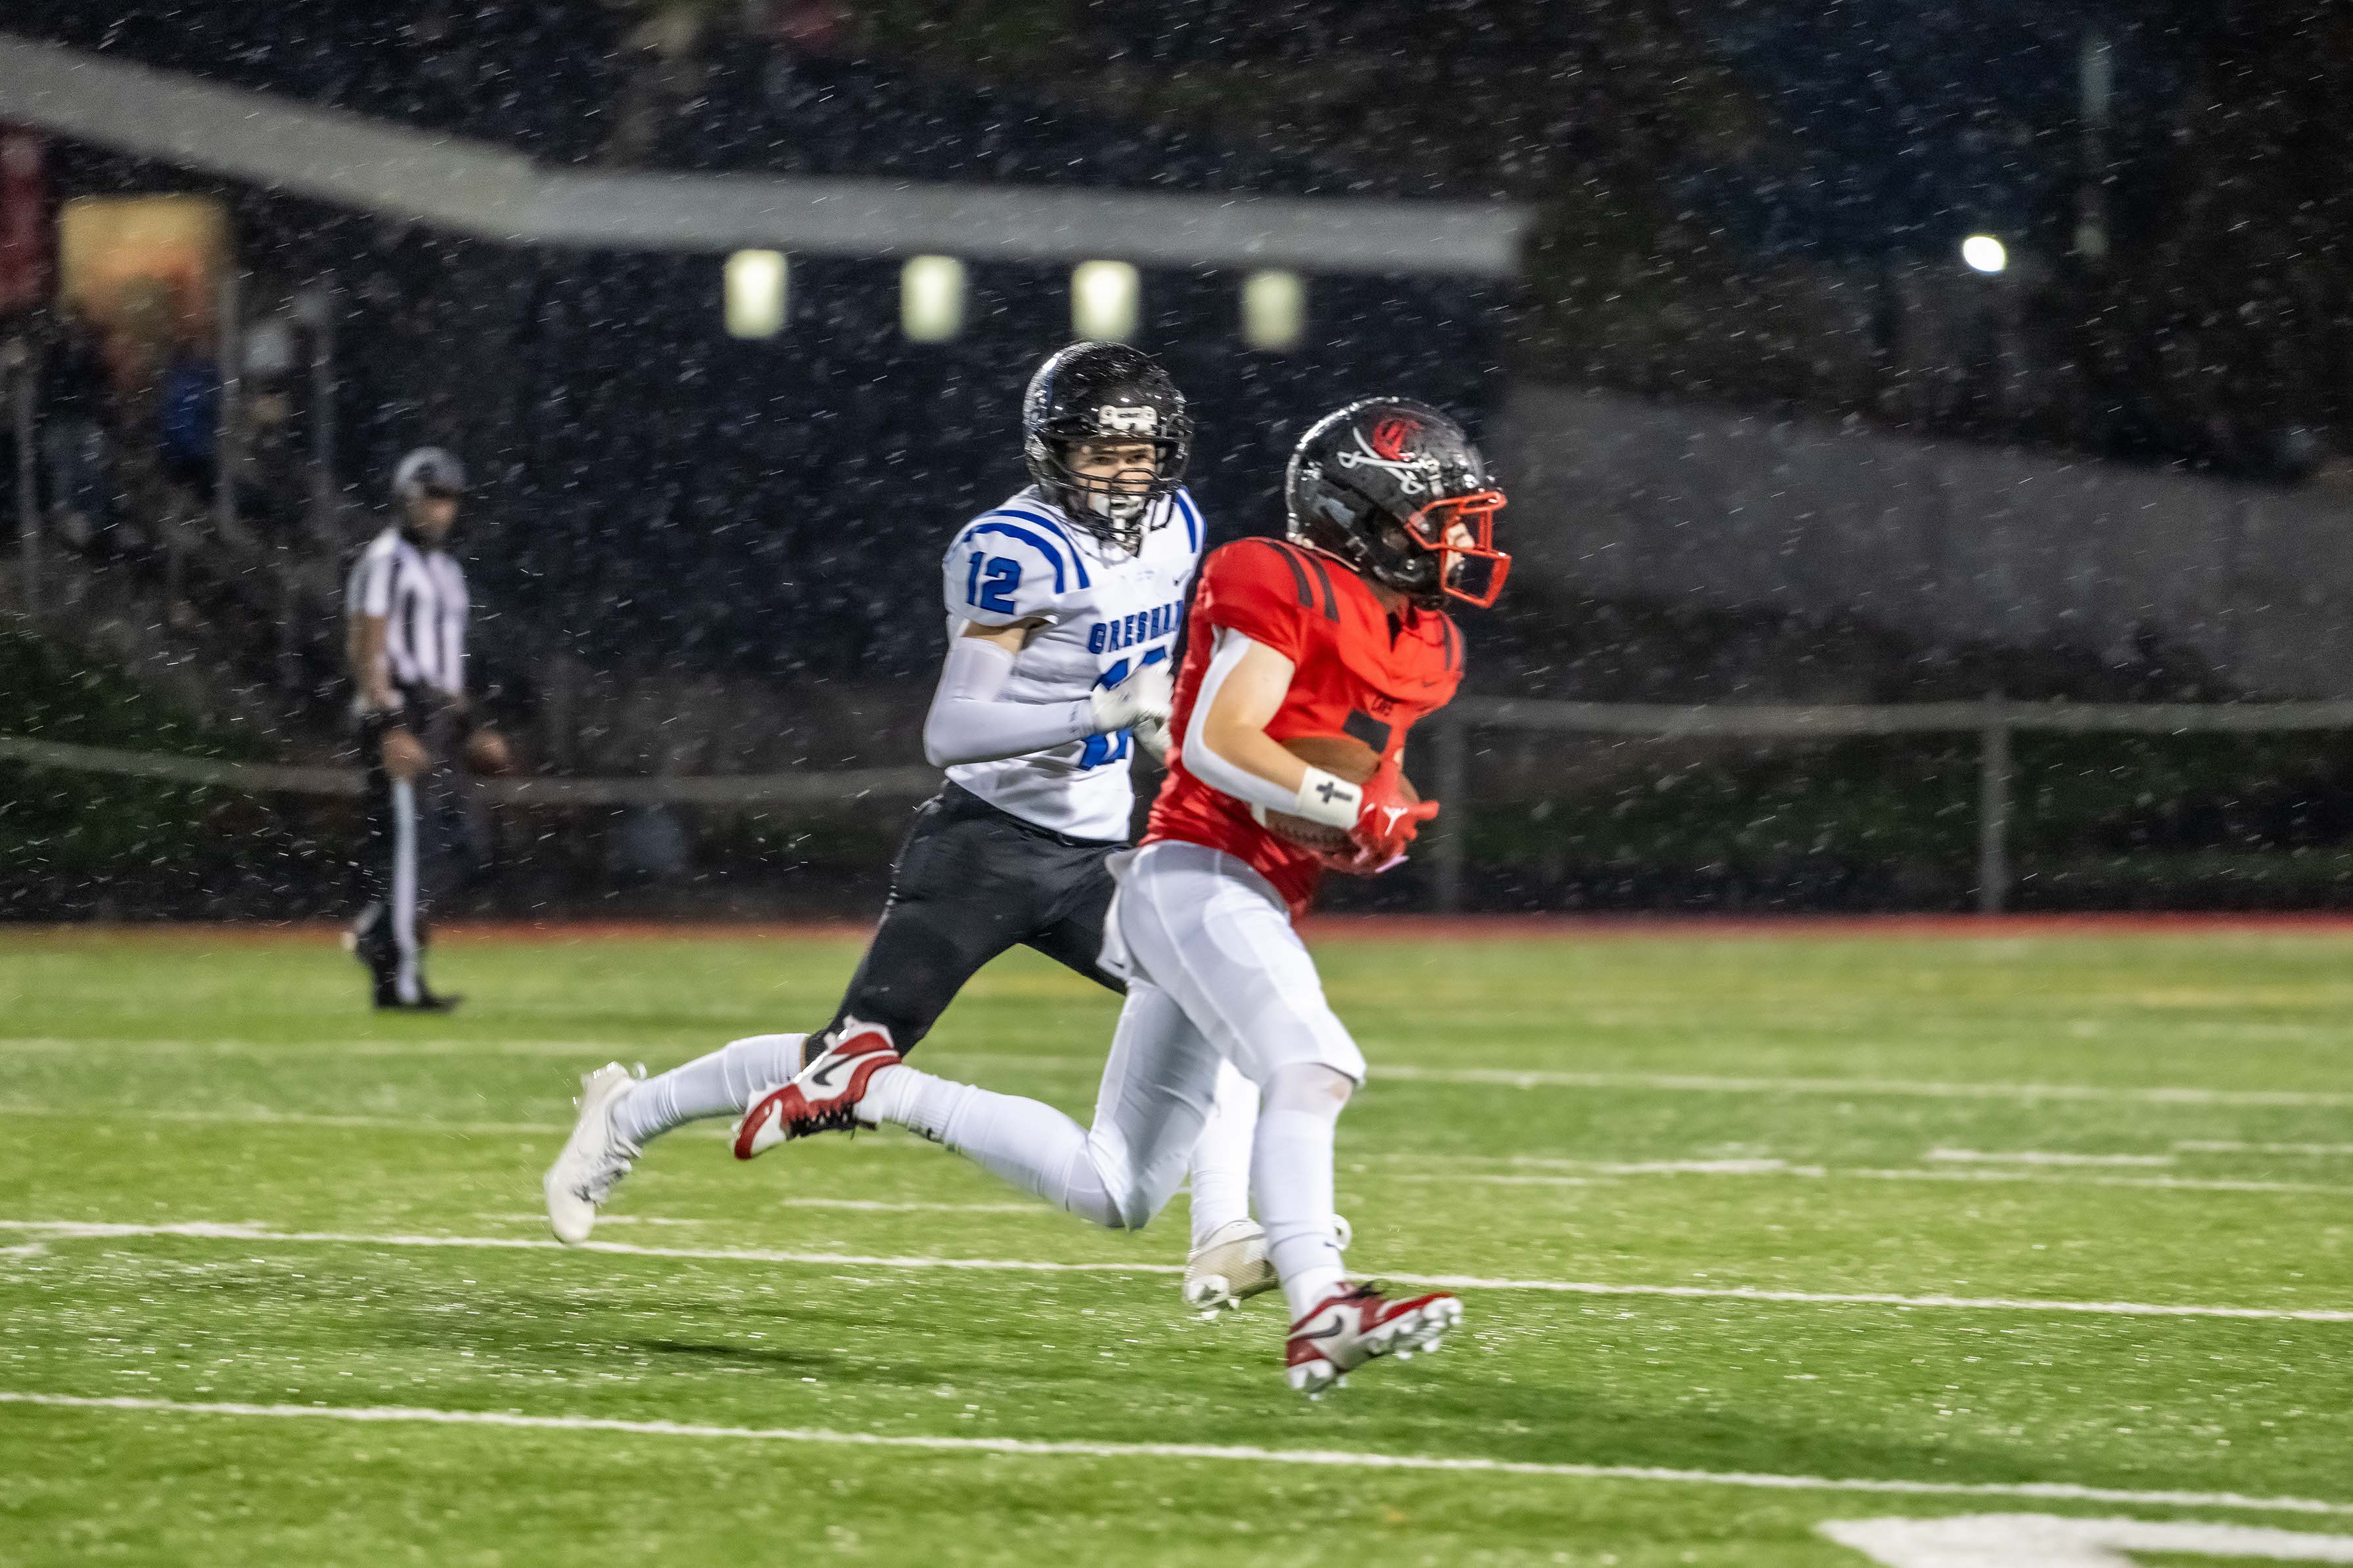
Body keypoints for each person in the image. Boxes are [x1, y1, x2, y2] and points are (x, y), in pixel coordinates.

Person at [720, 398, 1509, 1395]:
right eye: (1437, 519)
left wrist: (1365, 831)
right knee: (1310, 1064)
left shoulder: (1424, 640)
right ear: (1362, 515)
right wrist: (1344, 801)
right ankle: (1323, 1305)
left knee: (1117, 1186)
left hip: (1250, 885)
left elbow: (1325, 778)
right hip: (1192, 874)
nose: (1459, 542)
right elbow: (1219, 743)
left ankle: (871, 1084)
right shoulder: (1274, 575)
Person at [545, 344, 1292, 1312]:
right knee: (846, 1056)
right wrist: (1098, 713)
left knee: (1216, 997)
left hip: (1097, 851)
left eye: (1138, 453)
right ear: (1051, 452)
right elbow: (952, 729)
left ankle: (1224, 1232)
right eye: (1098, 452)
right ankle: (625, 1114)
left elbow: (1142, 673)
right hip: (985, 846)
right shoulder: (1016, 549)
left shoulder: (1178, 528)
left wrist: (1163, 731)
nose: (1120, 473)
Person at [343, 446, 512, 1011]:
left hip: (435, 715)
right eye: (431, 496)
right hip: (401, 709)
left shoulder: (447, 571)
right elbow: (367, 646)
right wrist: (388, 723)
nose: (441, 509)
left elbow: (446, 666)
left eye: (449, 498)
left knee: (462, 843)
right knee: (407, 850)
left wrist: (471, 727)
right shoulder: (385, 560)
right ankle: (400, 983)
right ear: (407, 497)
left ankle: (377, 929)